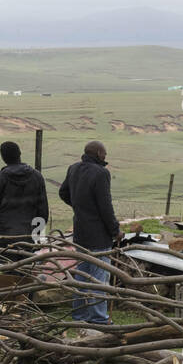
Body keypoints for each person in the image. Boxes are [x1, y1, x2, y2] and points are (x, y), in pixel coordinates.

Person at [59, 140, 124, 327]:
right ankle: (98, 318)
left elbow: (63, 193)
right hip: (98, 235)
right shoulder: (101, 173)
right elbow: (105, 206)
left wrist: (80, 208)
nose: (106, 156)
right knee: (98, 277)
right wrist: (115, 230)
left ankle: (79, 316)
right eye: (104, 153)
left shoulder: (73, 168)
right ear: (97, 153)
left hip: (80, 232)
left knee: (82, 274)